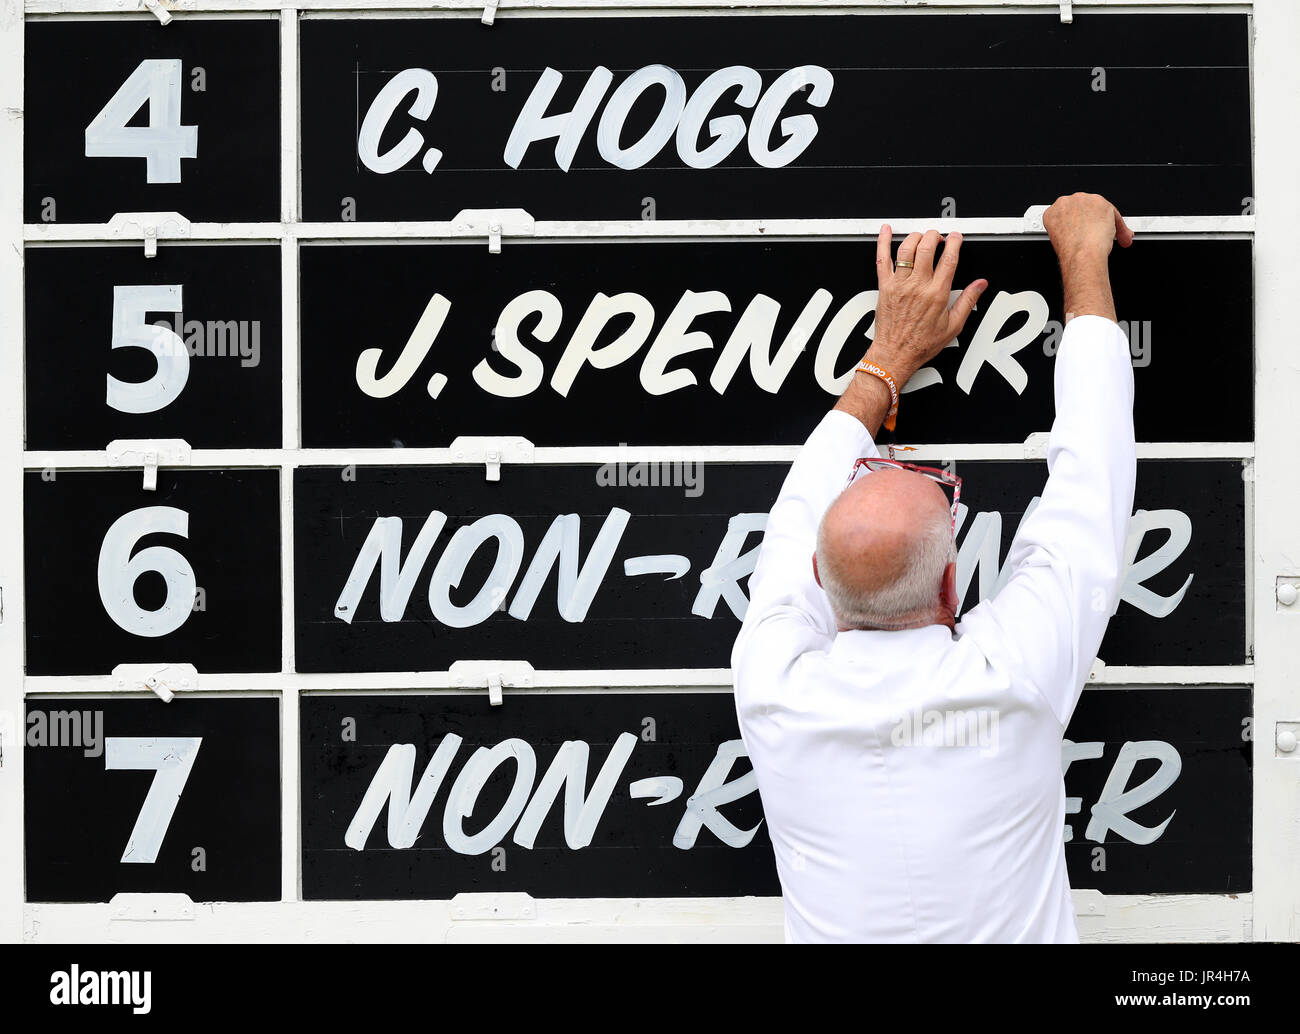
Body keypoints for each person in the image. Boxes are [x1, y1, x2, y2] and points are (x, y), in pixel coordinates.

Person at [731, 192, 1137, 943]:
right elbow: (1092, 483)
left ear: (821, 584)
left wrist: (886, 361)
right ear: (954, 585)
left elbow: (794, 521)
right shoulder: (1010, 672)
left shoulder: (772, 687)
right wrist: (1082, 260)